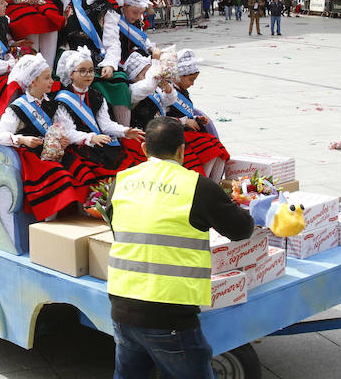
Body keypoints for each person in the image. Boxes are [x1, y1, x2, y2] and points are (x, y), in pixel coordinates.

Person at [107, 117, 254, 379]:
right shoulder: (197, 186)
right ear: (182, 150)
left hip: (122, 308)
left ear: (144, 149)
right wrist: (253, 209)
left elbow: (118, 226)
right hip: (169, 315)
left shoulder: (121, 181)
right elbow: (241, 230)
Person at [0, 54, 97, 220]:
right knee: (57, 175)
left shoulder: (51, 103)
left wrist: (63, 140)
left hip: (53, 152)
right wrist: (23, 140)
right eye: (47, 78)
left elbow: (60, 129)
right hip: (33, 157)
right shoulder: (18, 107)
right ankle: (49, 223)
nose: (51, 81)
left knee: (80, 168)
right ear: (33, 81)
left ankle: (83, 217)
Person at [53, 47, 145, 182]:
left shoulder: (96, 96)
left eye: (91, 70)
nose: (88, 75)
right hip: (79, 146)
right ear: (71, 74)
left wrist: (125, 131)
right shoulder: (63, 100)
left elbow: (105, 124)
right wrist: (91, 138)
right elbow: (67, 132)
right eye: (82, 71)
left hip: (98, 142)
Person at [61, 0, 131, 123]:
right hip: (71, 54)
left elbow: (112, 43)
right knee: (85, 81)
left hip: (97, 57)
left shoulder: (108, 9)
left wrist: (110, 65)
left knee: (119, 85)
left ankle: (124, 130)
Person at [166, 50, 230, 183]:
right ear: (179, 76)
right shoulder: (167, 91)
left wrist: (196, 120)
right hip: (176, 133)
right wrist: (185, 121)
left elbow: (185, 114)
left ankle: (215, 185)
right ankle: (204, 185)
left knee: (220, 153)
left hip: (188, 132)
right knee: (210, 153)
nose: (192, 84)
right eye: (191, 79)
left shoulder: (183, 91)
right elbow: (160, 118)